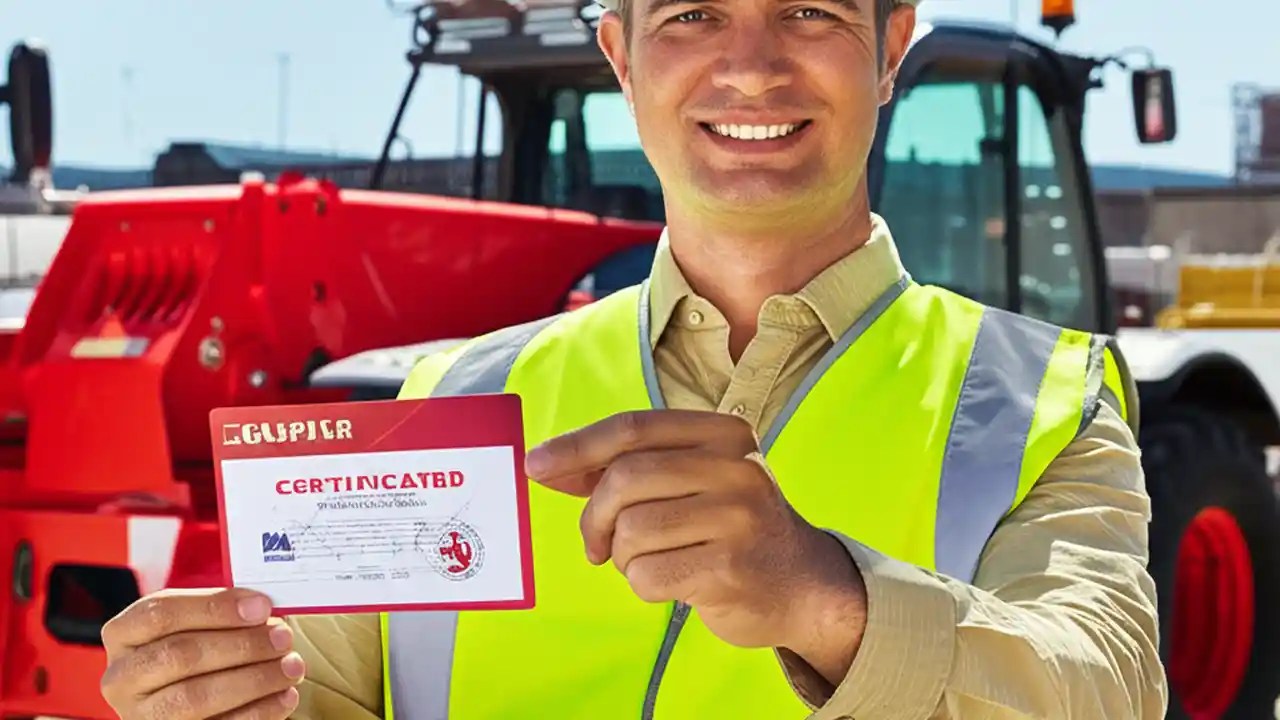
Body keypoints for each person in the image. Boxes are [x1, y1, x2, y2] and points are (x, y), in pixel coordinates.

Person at [99, 0, 1169, 717]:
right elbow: (326, 699)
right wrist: (211, 694)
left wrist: (827, 601)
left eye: (809, 9)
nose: (749, 66)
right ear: (619, 56)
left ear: (890, 49)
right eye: (692, 13)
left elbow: (1108, 690)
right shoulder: (455, 402)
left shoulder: (1042, 405)